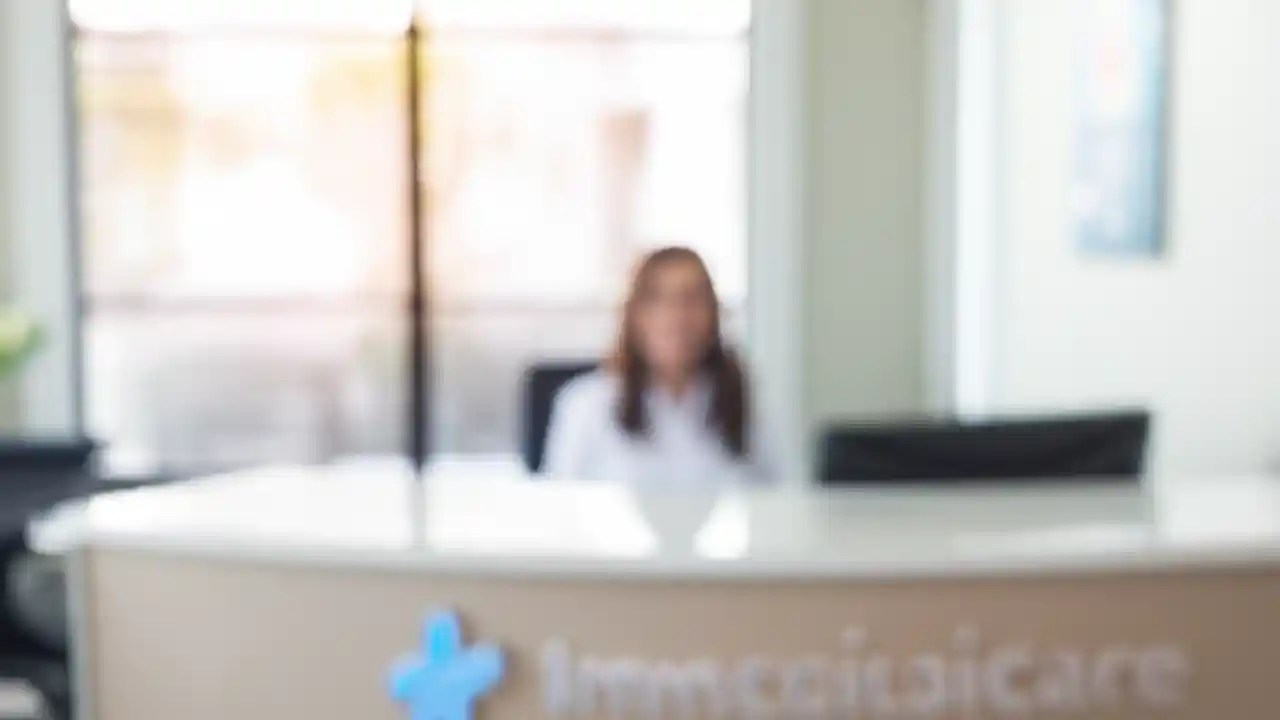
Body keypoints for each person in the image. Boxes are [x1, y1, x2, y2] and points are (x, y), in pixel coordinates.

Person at [544, 247, 772, 486]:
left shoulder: (744, 401)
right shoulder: (585, 404)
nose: (678, 316)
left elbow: (780, 494)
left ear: (713, 314)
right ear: (634, 314)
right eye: (659, 300)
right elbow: (561, 502)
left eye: (693, 299)